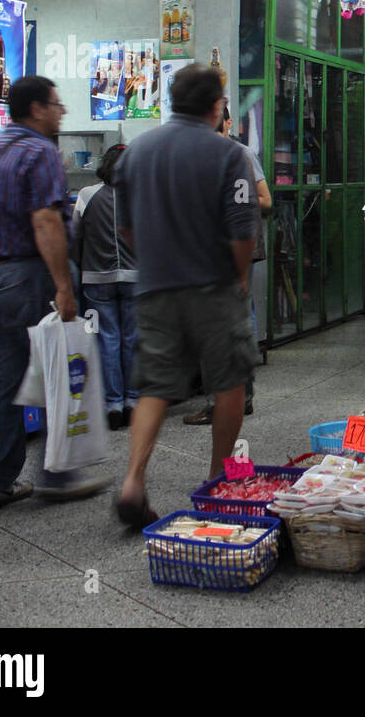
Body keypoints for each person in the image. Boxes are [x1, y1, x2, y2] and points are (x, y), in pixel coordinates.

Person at [113, 65, 259, 527]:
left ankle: (133, 479)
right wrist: (239, 275)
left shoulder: (134, 154)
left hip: (155, 288)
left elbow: (125, 227)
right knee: (228, 380)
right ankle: (218, 477)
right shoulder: (229, 154)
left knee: (155, 386)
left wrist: (157, 261)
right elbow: (242, 230)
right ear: (217, 107)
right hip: (213, 287)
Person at [0, 76, 106, 513]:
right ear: (36, 109)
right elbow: (46, 222)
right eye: (57, 105)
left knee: (2, 379)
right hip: (24, 276)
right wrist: (64, 287)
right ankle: (58, 475)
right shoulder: (39, 152)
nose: (61, 112)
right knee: (58, 369)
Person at [185, 105, 271, 425]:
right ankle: (234, 398)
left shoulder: (241, 154)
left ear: (228, 122)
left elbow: (265, 200)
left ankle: (228, 400)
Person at [72, 144, 138, 431]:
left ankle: (113, 404)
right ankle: (133, 401)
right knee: (132, 340)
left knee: (107, 341)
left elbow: (74, 239)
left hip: (96, 280)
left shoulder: (87, 195)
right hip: (136, 279)